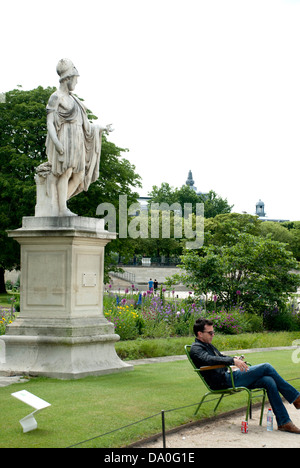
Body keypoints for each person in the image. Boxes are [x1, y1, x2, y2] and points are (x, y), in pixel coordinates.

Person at [190, 318, 300, 434]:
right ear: (200, 334)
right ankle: (296, 397)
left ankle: (284, 422)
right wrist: (232, 361)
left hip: (229, 375)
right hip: (224, 381)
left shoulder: (208, 345)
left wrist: (234, 359)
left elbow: (220, 356)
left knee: (268, 380)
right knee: (266, 367)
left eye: (213, 332)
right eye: (210, 333)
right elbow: (209, 359)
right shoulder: (196, 349)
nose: (213, 335)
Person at [46, 58, 112, 216]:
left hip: (78, 139)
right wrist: (56, 142)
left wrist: (100, 128)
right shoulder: (56, 97)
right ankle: (61, 209)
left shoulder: (74, 100)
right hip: (64, 138)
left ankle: (59, 205)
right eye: (75, 80)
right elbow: (49, 123)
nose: (76, 83)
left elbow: (86, 124)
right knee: (66, 172)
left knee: (80, 175)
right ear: (67, 79)